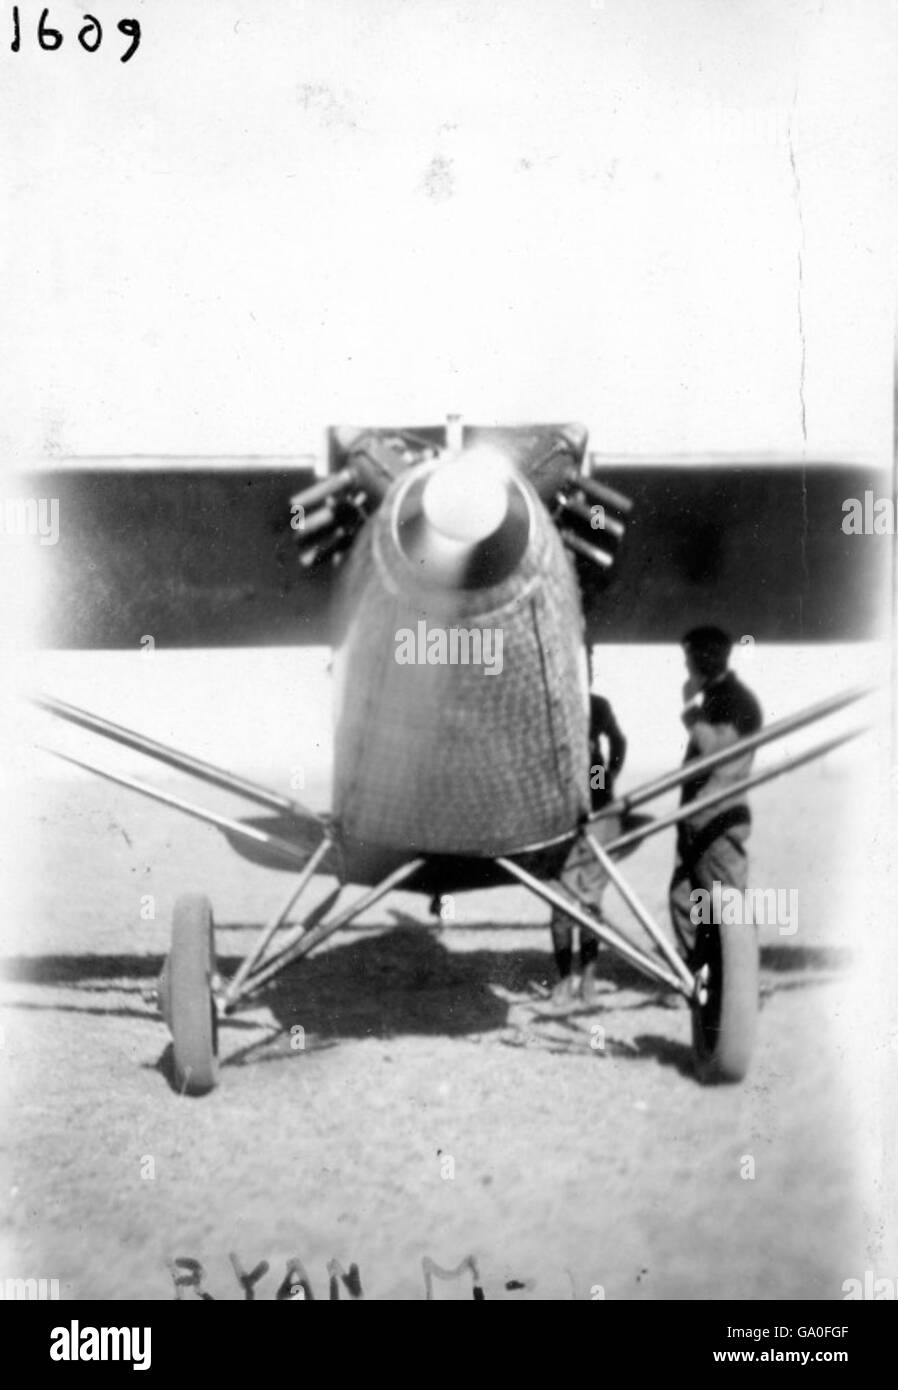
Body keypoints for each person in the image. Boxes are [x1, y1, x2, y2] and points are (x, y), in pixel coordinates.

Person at [668, 625, 762, 965]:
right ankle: (698, 979)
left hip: (716, 820)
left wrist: (689, 709)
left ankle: (743, 984)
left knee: (728, 907)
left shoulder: (734, 699)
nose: (685, 667)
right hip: (698, 819)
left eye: (687, 659)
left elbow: (713, 750)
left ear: (699, 660)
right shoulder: (719, 696)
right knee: (684, 900)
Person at [549, 663, 627, 1008]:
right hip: (561, 818)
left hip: (597, 810)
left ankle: (589, 978)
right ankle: (565, 978)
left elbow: (619, 741)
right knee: (561, 906)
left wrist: (608, 776)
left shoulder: (598, 706)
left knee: (591, 900)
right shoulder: (549, 707)